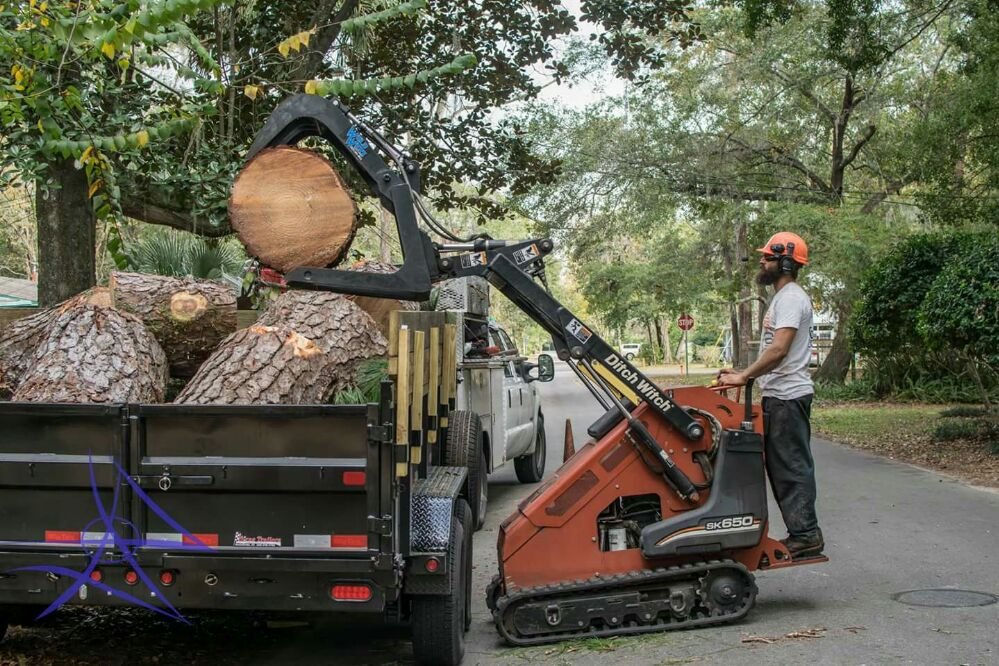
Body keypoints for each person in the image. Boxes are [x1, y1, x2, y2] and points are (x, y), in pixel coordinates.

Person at [717, 231, 823, 558]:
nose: (762, 261)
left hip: (789, 397)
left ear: (786, 262)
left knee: (791, 467)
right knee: (780, 467)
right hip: (779, 395)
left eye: (768, 257)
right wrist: (742, 374)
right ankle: (802, 532)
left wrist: (744, 376)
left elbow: (778, 350)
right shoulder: (781, 297)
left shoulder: (791, 297)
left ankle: (806, 535)